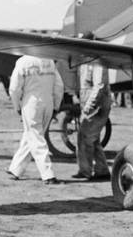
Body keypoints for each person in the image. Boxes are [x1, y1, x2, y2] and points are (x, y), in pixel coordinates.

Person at [6, 55, 65, 185]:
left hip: (31, 103)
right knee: (31, 136)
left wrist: (17, 106)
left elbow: (14, 88)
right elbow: (59, 86)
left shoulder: (23, 61)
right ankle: (16, 168)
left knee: (36, 138)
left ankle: (48, 174)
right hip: (48, 102)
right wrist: (56, 105)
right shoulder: (49, 61)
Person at [74, 34, 111, 180]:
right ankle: (102, 170)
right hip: (92, 105)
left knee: (85, 137)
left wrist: (88, 107)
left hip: (97, 107)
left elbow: (99, 86)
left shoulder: (97, 61)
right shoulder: (85, 60)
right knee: (93, 139)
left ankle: (85, 171)